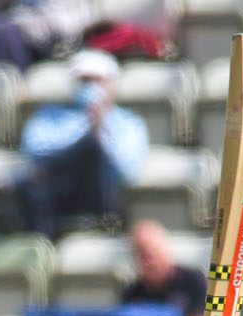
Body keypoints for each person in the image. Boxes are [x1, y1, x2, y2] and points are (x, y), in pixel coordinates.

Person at [16, 48, 148, 236]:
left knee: (92, 148)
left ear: (111, 84)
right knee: (30, 183)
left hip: (97, 196)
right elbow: (33, 149)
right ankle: (39, 243)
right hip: (55, 190)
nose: (89, 87)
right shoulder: (50, 115)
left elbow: (127, 170)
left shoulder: (128, 123)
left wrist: (100, 128)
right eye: (83, 81)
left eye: (96, 80)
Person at [119, 219, 209, 316]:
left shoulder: (192, 281)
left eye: (151, 254)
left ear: (163, 250)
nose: (147, 262)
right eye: (140, 255)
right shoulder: (133, 292)